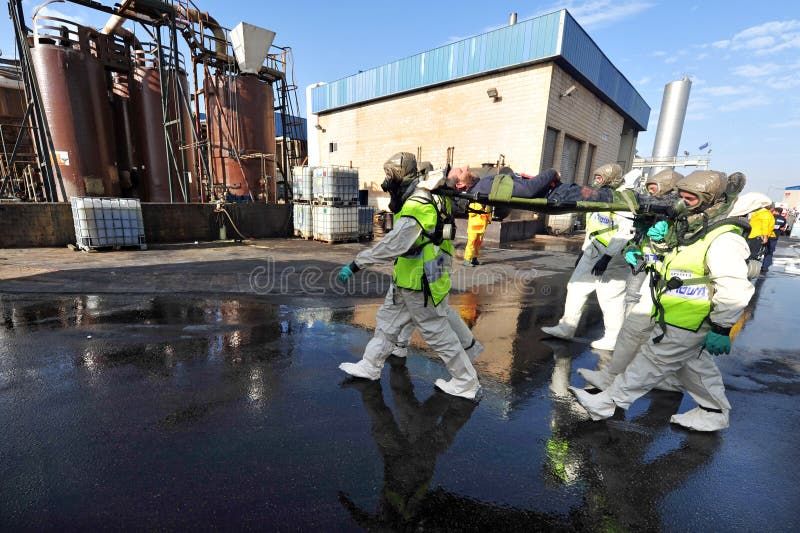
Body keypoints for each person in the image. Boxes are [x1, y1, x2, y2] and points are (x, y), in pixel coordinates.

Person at [569, 170, 755, 432]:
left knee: (652, 360)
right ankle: (714, 412)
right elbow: (674, 266)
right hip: (673, 312)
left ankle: (607, 403)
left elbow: (734, 287)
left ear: (709, 201)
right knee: (694, 367)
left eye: (690, 199)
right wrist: (648, 254)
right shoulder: (692, 229)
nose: (681, 203)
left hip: (692, 316)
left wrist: (722, 327)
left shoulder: (723, 238)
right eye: (681, 196)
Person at [338, 152, 481, 399]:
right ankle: (370, 365)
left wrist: (356, 264)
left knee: (436, 332)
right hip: (414, 275)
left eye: (388, 175)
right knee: (387, 323)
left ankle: (466, 381)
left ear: (399, 175)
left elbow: (394, 244)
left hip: (419, 280)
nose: (386, 181)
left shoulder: (418, 203)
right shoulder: (436, 197)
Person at [578, 169, 684, 390]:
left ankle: (667, 382)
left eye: (655, 190)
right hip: (646, 268)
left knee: (670, 336)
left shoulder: (682, 217)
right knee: (634, 324)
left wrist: (664, 243)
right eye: (649, 190)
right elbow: (638, 233)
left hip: (675, 283)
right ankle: (615, 378)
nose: (650, 195)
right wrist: (636, 248)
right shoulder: (652, 209)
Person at [541, 163, 634, 351]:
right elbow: (593, 225)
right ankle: (566, 327)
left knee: (610, 297)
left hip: (614, 257)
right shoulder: (601, 195)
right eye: (596, 177)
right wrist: (584, 250)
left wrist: (607, 258)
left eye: (599, 178)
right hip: (593, 251)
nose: (595, 181)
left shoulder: (624, 199)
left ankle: (613, 337)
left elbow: (625, 232)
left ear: (611, 179)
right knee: (576, 288)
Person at [747, 203, 776, 274]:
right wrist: (765, 237)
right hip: (759, 236)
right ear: (771, 208)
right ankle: (749, 271)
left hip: (751, 235)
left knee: (748, 253)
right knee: (754, 255)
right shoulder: (767, 214)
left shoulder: (758, 213)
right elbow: (765, 226)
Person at [463, 201, 492, 266]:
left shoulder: (487, 205)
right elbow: (471, 214)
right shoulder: (473, 204)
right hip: (473, 229)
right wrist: (481, 206)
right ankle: (467, 260)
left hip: (482, 229)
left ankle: (474, 258)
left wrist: (489, 219)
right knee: (471, 244)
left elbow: (489, 213)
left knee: (477, 244)